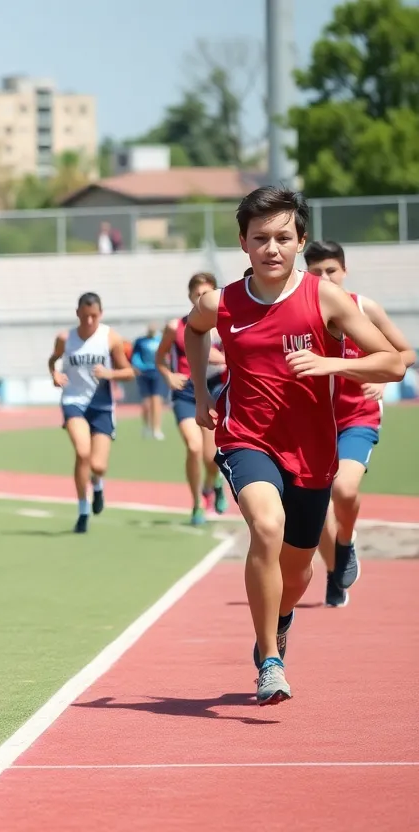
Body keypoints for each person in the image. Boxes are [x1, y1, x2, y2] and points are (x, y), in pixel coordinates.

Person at [185, 187, 405, 706]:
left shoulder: (324, 298)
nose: (272, 248)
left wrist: (336, 364)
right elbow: (193, 332)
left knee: (299, 569)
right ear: (243, 243)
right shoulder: (221, 303)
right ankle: (269, 659)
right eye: (260, 238)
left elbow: (394, 361)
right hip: (247, 438)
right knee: (267, 526)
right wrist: (200, 392)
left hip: (312, 451)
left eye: (283, 237)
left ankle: (280, 622)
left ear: (300, 241)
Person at [304, 240, 416, 607]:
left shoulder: (363, 308)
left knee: (345, 490)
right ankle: (335, 574)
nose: (325, 277)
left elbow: (405, 352)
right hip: (310, 423)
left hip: (357, 417)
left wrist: (384, 379)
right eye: (317, 271)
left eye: (331, 270)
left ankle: (346, 543)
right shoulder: (301, 311)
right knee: (317, 510)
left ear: (344, 271)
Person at [47, 292, 135, 534]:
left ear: (101, 314)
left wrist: (110, 374)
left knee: (98, 465)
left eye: (93, 316)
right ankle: (83, 509)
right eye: (84, 316)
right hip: (73, 401)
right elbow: (53, 360)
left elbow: (129, 372)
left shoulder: (110, 338)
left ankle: (97, 485)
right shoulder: (65, 338)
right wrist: (54, 373)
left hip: (102, 405)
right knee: (82, 452)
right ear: (77, 314)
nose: (88, 321)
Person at [155, 273, 230, 526]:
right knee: (193, 446)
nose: (201, 299)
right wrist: (168, 375)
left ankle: (214, 483)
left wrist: (221, 360)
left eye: (206, 294)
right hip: (185, 391)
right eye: (197, 295)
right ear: (189, 296)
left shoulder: (223, 326)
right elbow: (159, 358)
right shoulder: (176, 327)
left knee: (211, 456)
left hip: (213, 390)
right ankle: (197, 503)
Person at [129, 323, 166, 440]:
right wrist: (136, 367)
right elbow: (135, 356)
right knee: (146, 403)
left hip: (157, 372)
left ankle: (157, 428)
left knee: (156, 401)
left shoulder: (161, 340)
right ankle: (146, 426)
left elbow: (166, 354)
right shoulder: (140, 341)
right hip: (143, 373)